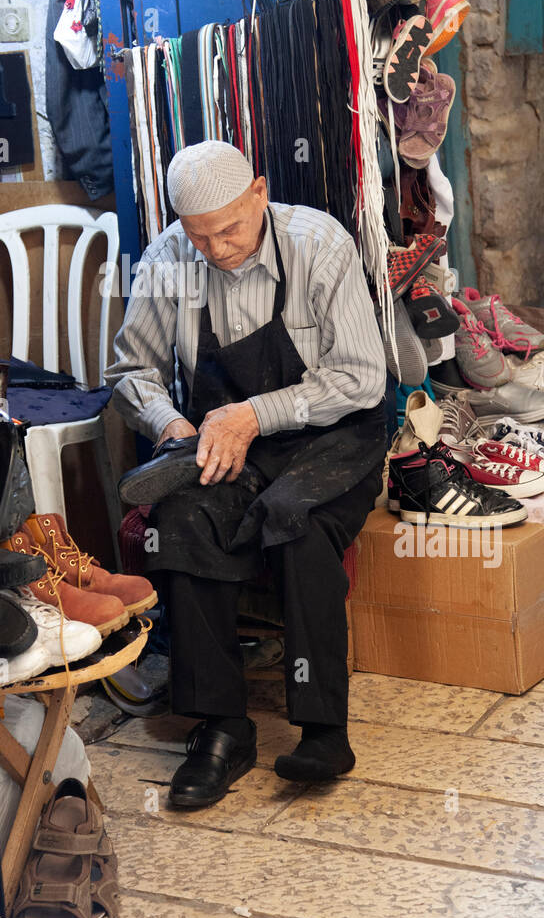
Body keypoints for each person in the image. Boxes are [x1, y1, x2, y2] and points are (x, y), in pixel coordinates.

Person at [105, 140, 388, 808]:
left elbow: (362, 377)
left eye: (231, 227)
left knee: (297, 519)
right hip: (225, 441)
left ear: (259, 191)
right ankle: (221, 727)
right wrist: (173, 427)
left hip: (332, 439)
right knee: (181, 521)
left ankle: (324, 730)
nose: (219, 248)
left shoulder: (320, 243)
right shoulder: (169, 261)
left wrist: (256, 414)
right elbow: (129, 374)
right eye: (201, 236)